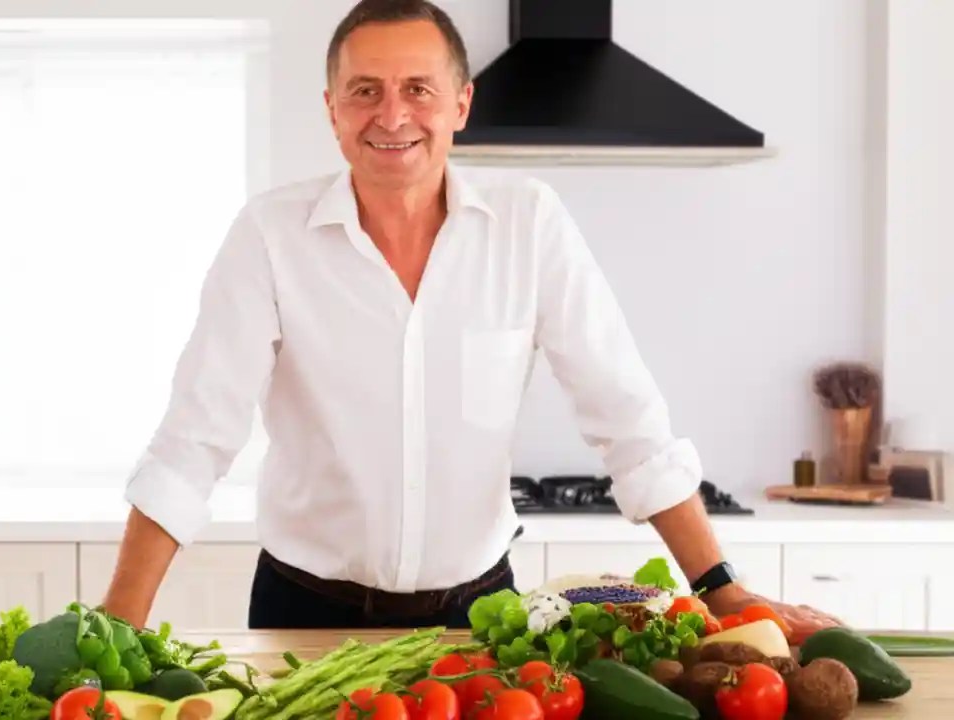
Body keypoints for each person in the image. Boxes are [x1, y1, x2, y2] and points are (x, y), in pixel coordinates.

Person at [102, 0, 841, 642]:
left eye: (417, 89)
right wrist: (116, 632)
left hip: (479, 617)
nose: (392, 115)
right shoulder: (269, 234)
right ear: (332, 108)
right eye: (365, 91)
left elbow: (629, 421)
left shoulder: (530, 223)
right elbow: (194, 441)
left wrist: (721, 587)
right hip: (303, 611)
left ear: (460, 104)